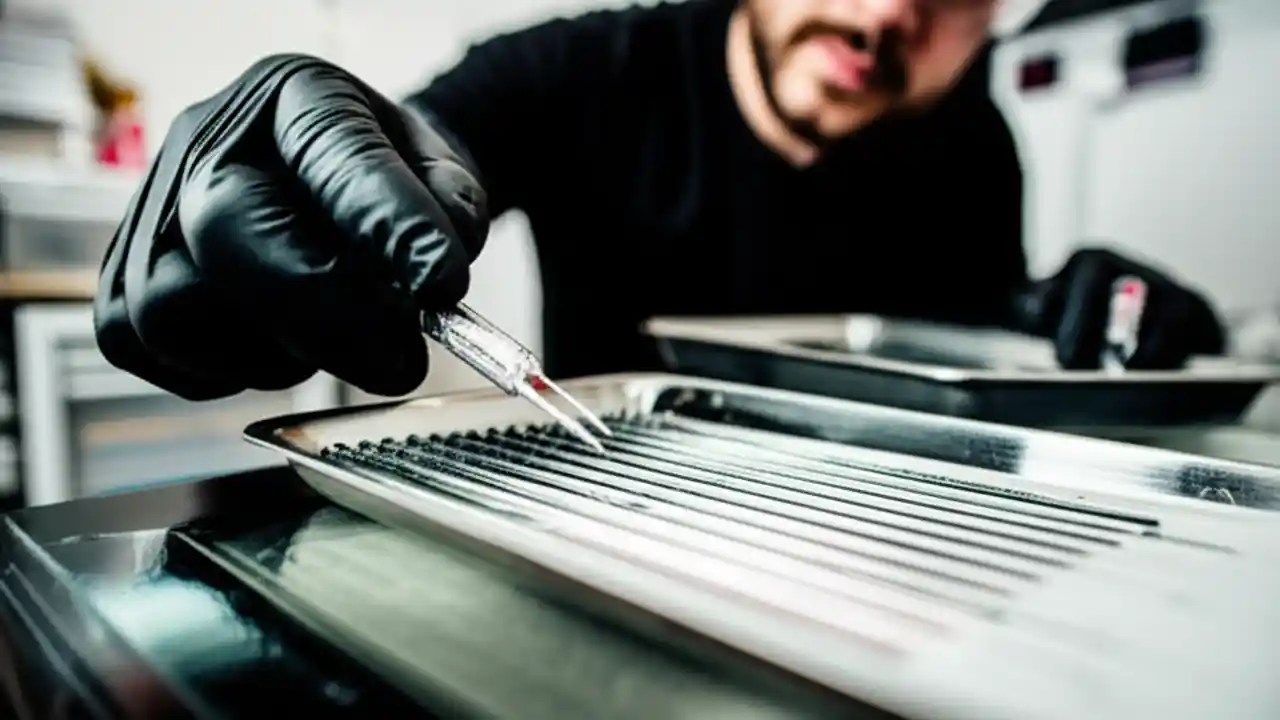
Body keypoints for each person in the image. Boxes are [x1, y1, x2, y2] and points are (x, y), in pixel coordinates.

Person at [94, 0, 1226, 401]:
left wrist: (1074, 316)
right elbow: (420, 149)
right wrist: (300, 146)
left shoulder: (973, 140)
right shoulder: (584, 72)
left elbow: (970, 341)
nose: (889, 13)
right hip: (606, 558)